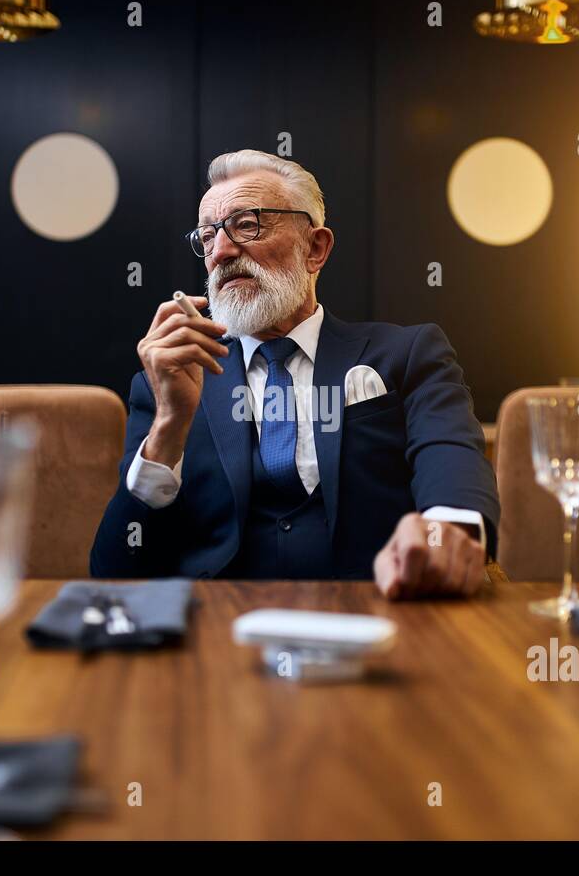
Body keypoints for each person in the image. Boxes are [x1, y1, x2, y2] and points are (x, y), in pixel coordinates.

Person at [90, 149, 498, 598]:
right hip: (216, 624)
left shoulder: (407, 352)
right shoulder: (166, 382)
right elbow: (114, 566)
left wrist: (445, 536)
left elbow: (449, 456)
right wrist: (170, 427)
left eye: (248, 224)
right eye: (208, 237)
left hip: (377, 611)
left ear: (316, 248)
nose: (221, 252)